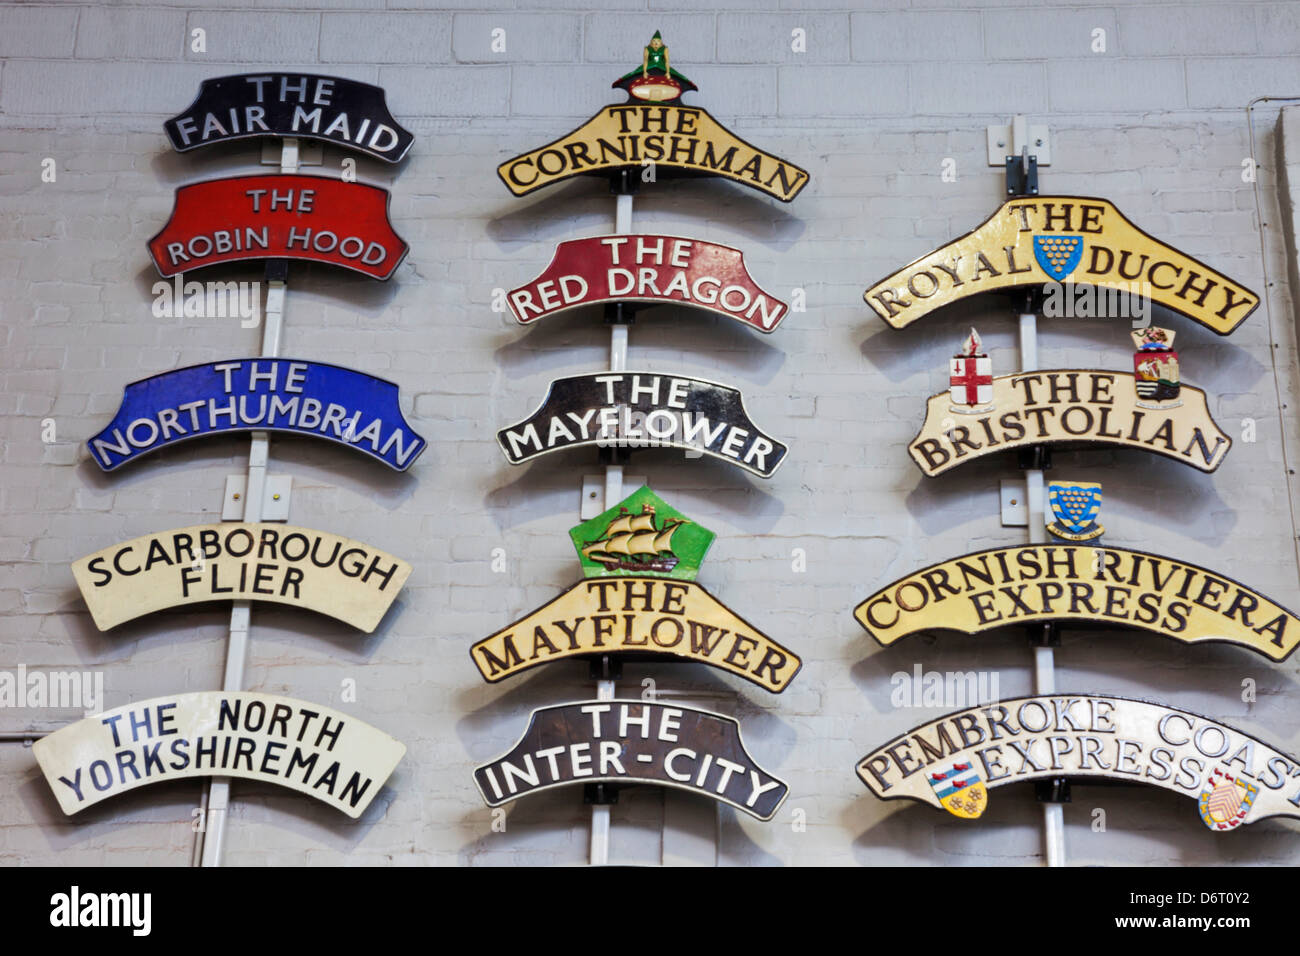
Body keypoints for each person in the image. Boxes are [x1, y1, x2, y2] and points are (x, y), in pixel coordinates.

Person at [613, 31, 698, 99]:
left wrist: (668, 72)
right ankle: (620, 81)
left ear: (661, 42)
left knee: (676, 74)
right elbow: (645, 60)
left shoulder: (665, 49)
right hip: (650, 64)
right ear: (651, 42)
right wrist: (645, 71)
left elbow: (667, 61)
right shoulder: (647, 49)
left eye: (658, 41)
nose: (656, 43)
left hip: (661, 65)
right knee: (635, 72)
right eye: (654, 41)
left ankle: (690, 84)